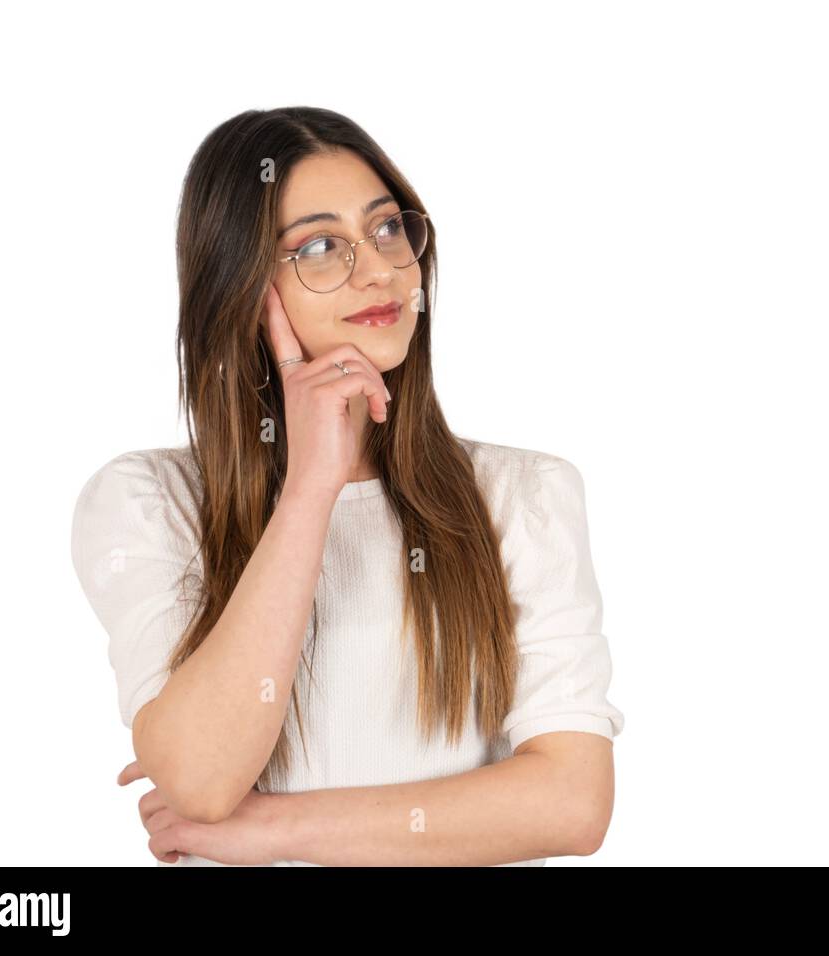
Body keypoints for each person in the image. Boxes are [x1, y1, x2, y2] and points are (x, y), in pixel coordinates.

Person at [69, 106, 624, 867]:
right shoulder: (148, 506)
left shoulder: (522, 497)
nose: (379, 269)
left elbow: (571, 803)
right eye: (321, 246)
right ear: (243, 288)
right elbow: (199, 781)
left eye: (388, 229)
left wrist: (269, 829)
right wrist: (309, 490)